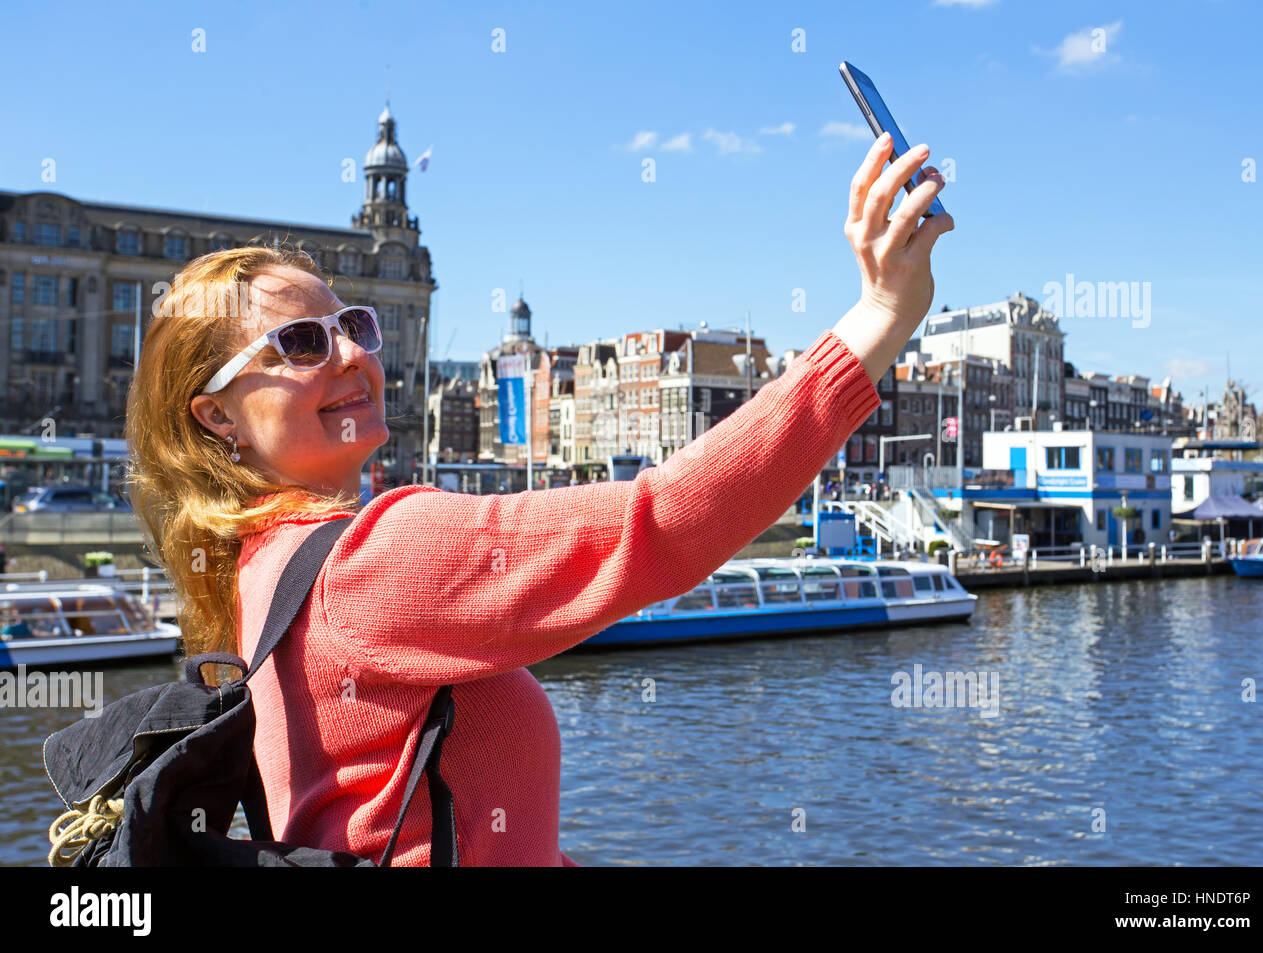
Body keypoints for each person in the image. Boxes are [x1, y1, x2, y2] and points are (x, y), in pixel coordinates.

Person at [124, 131, 950, 867]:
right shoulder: (369, 561)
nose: (350, 354)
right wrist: (879, 317)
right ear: (217, 416)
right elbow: (656, 525)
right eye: (303, 343)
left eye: (357, 327)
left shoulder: (259, 565)